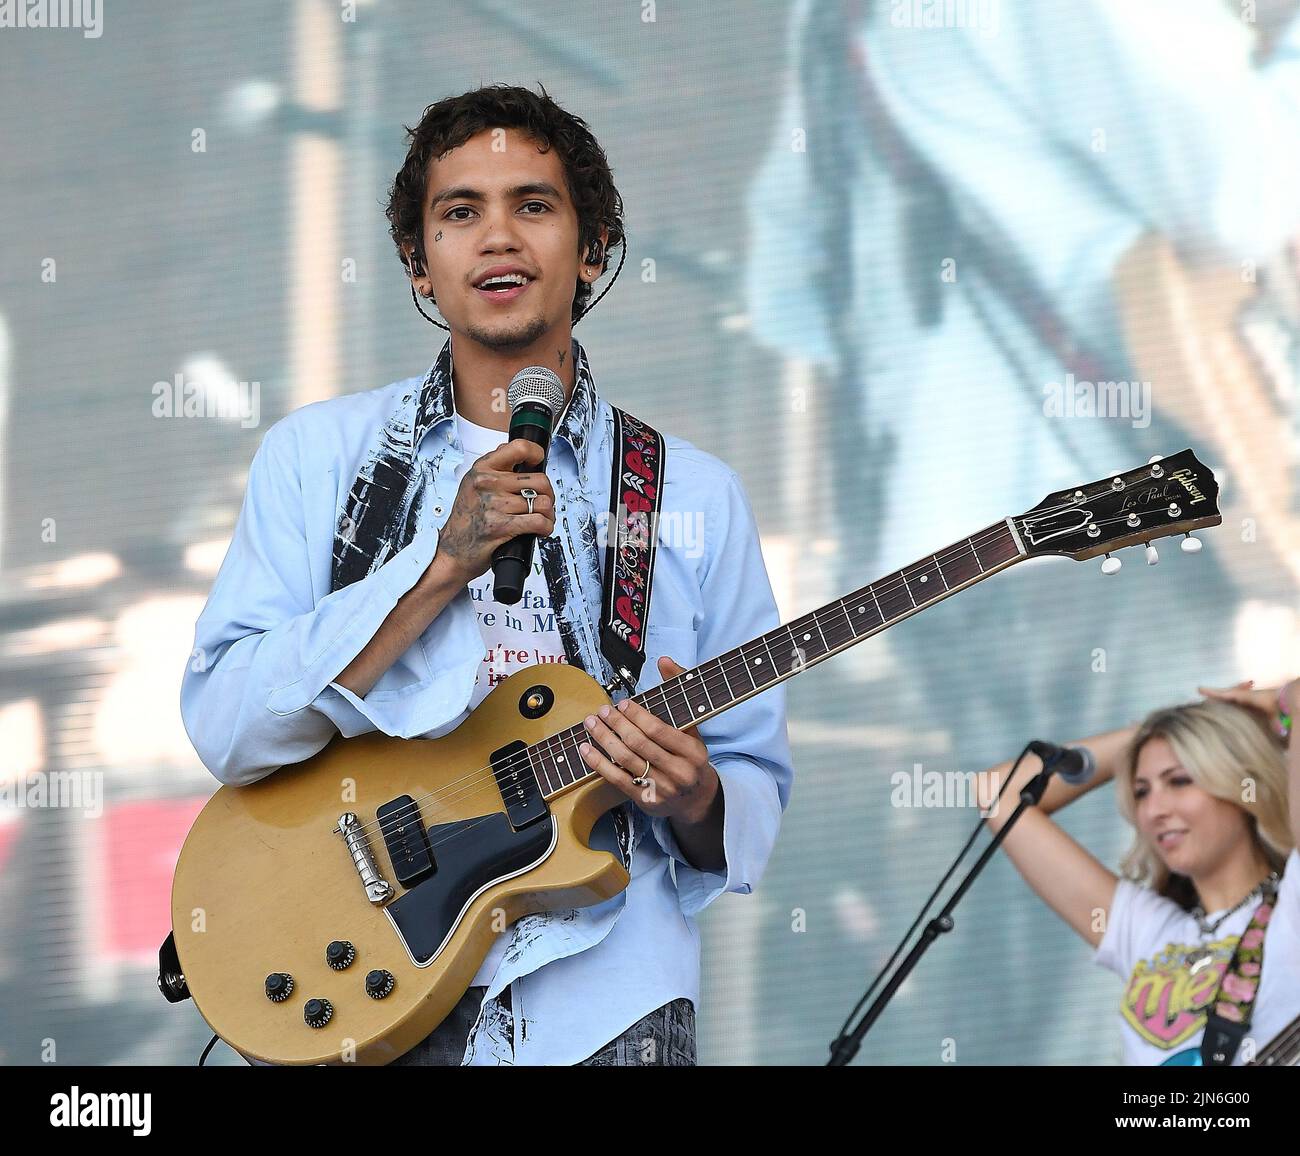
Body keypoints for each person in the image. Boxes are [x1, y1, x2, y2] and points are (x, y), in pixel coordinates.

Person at [179, 84, 793, 1066]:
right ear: (421, 269)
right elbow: (227, 724)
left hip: (611, 1005)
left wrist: (697, 802)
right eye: (460, 212)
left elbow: (752, 772)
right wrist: (434, 570)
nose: (497, 237)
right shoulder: (317, 460)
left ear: (592, 250)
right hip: (358, 986)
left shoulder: (688, 493)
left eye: (533, 206)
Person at [974, 679, 1299, 1064]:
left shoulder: (1290, 912)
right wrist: (1153, 730)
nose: (1153, 810)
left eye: (1179, 780)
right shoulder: (1146, 931)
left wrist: (1279, 702)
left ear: (1243, 784)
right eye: (1141, 790)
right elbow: (997, 793)